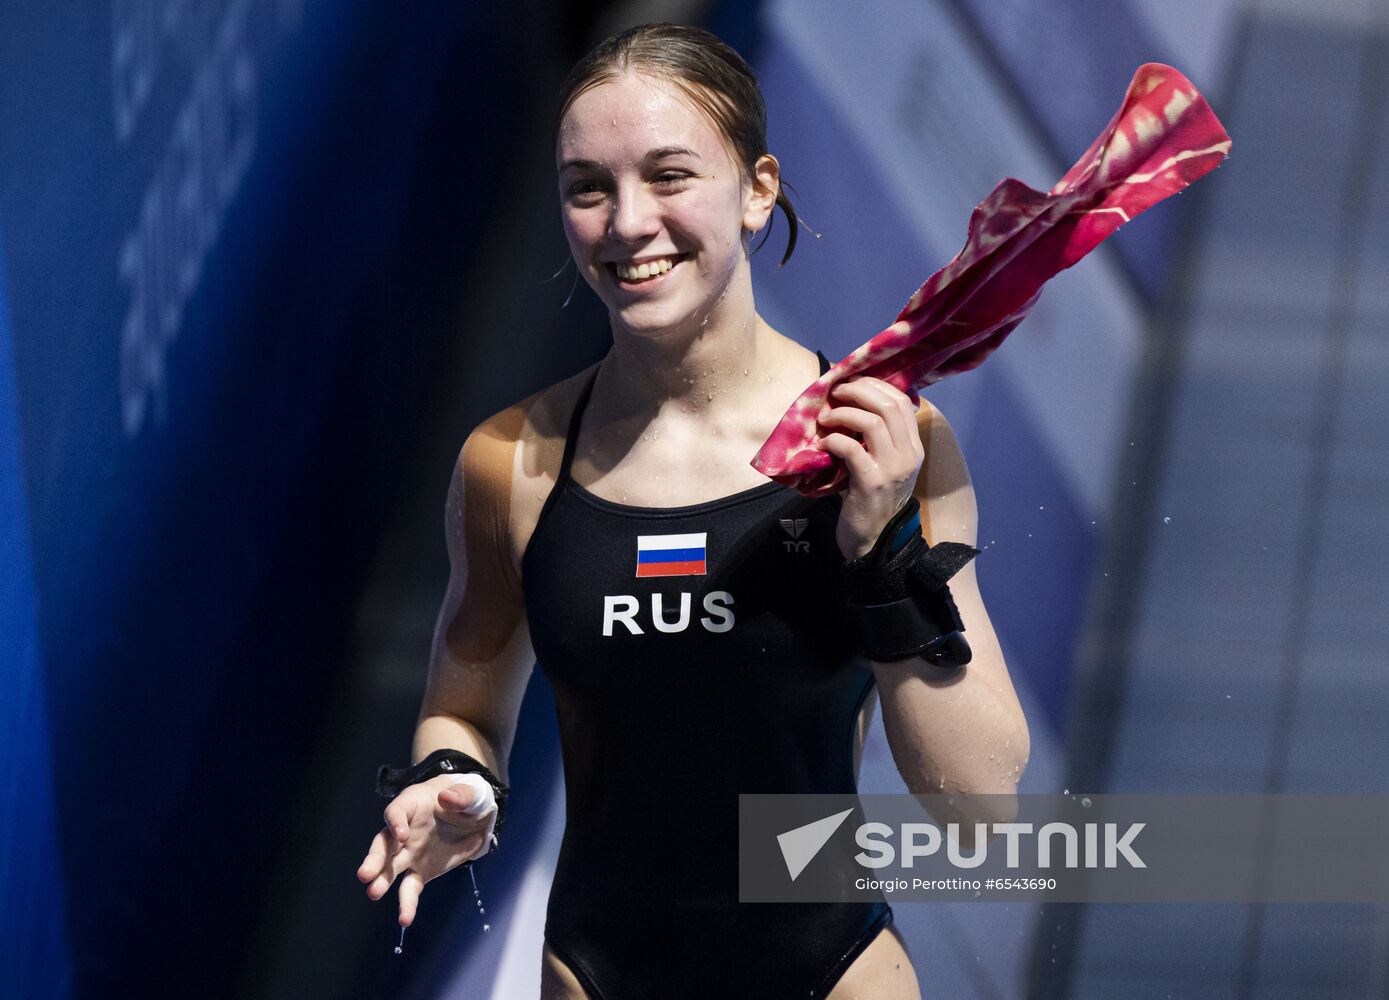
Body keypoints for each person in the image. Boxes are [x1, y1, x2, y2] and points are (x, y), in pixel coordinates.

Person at [357, 22, 1030, 999]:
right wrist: (454, 785)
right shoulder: (512, 464)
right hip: (596, 972)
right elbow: (462, 708)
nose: (628, 221)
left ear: (758, 189)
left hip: (830, 975)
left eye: (669, 176)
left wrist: (885, 550)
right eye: (588, 187)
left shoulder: (882, 444)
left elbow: (979, 806)